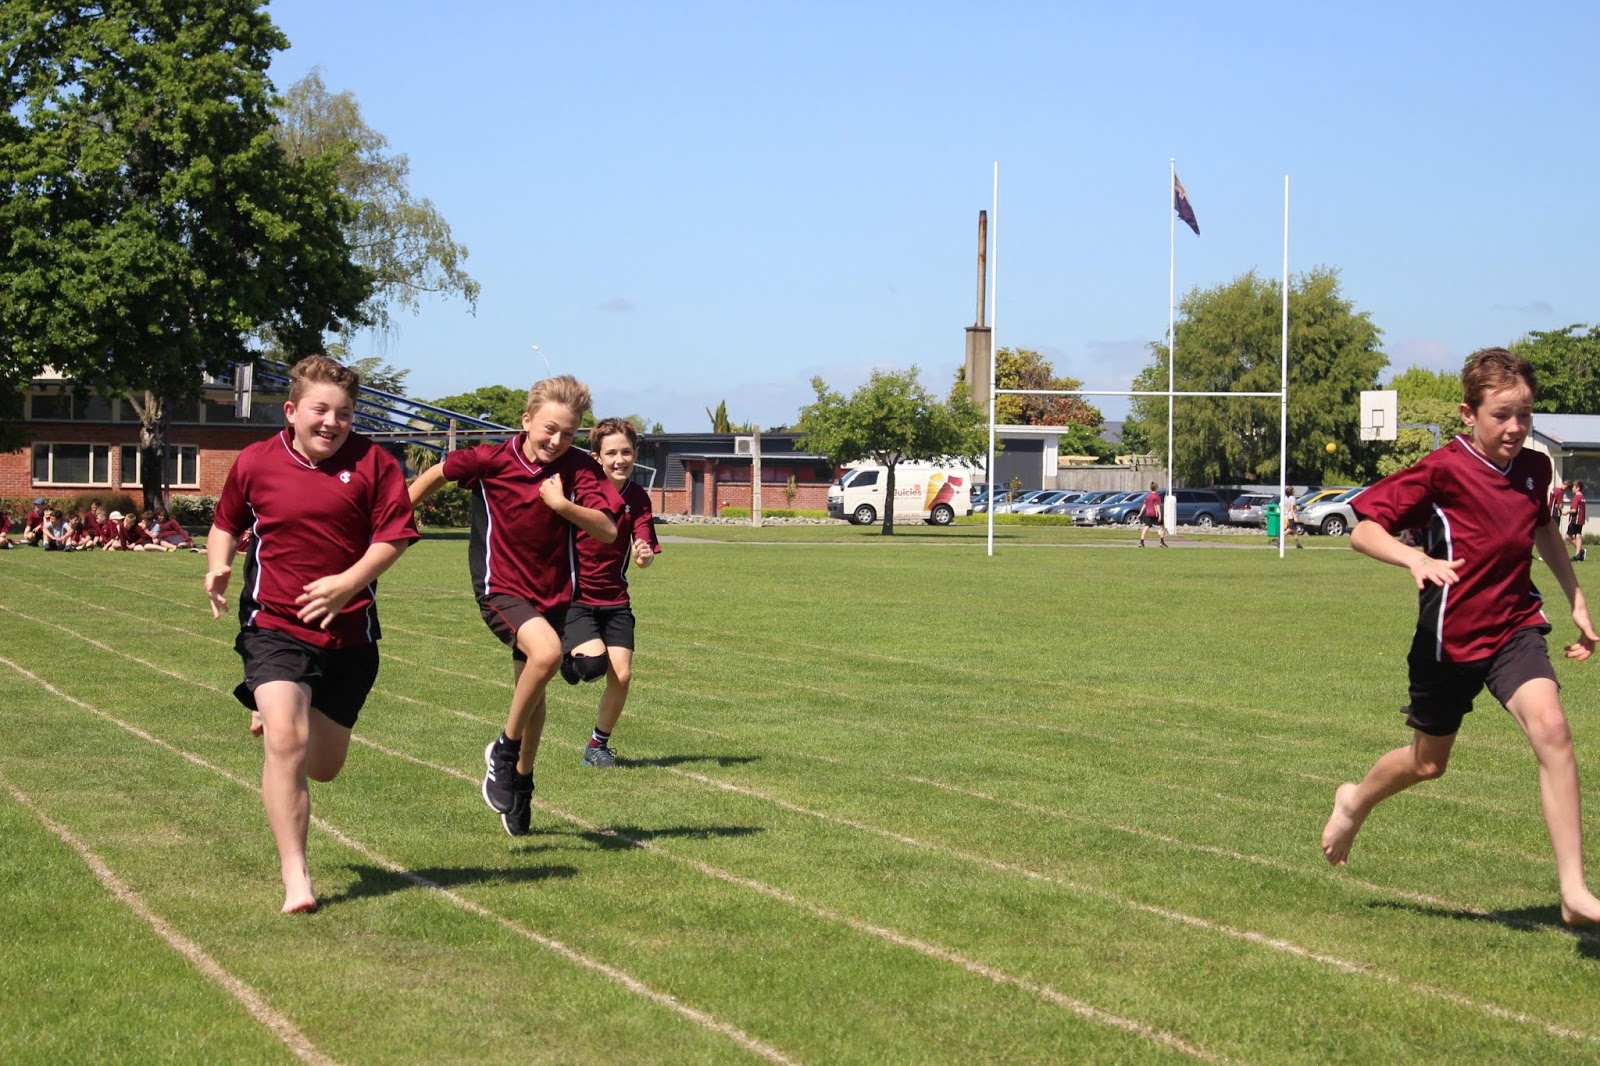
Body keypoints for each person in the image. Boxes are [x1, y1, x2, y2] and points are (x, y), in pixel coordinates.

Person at [1320, 347, 1600, 926]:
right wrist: (1413, 559)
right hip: (1447, 641)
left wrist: (1575, 598)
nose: (1516, 427)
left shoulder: (1535, 468)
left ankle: (1574, 892)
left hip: (1514, 628)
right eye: (1502, 414)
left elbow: (1543, 530)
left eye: (1524, 413)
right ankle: (1356, 799)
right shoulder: (1442, 469)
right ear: (1468, 413)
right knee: (1428, 765)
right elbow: (1363, 529)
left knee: (1552, 730)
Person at [204, 355, 418, 914]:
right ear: (293, 410)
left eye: (343, 413)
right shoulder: (256, 461)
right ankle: (296, 876)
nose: (331, 422)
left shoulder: (375, 463)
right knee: (288, 744)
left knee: (323, 767)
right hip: (274, 625)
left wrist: (348, 584)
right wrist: (218, 564)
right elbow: (226, 521)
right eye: (320, 410)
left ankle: (274, 708)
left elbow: (394, 536)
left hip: (349, 636)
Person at [408, 374, 623, 836]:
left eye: (568, 433)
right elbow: (436, 475)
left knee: (540, 691)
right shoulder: (489, 459)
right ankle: (503, 752)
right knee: (546, 654)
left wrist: (563, 505)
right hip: (500, 588)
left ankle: (520, 783)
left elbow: (607, 530)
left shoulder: (580, 469)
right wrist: (392, 519)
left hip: (555, 594)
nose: (557, 440)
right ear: (527, 421)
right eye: (549, 428)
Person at [561, 418, 662, 768]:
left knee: (622, 675)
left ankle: (596, 746)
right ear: (596, 457)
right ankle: (568, 657)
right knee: (592, 667)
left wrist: (644, 553)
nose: (620, 459)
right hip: (577, 599)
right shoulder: (580, 493)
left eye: (626, 452)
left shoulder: (638, 497)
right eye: (612, 453)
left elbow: (644, 543)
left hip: (616, 601)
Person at [1137, 481, 1166, 547]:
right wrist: (1160, 515)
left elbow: (1144, 505)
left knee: (1146, 526)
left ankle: (1141, 542)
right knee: (1162, 526)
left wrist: (1140, 513)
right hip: (1155, 514)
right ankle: (1161, 541)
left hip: (1148, 513)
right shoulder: (1156, 496)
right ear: (1156, 488)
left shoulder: (1148, 496)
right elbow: (1157, 506)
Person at [1568, 480, 1587, 562]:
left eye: (1573, 487)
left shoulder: (1576, 497)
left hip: (1575, 519)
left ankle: (1580, 551)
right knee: (1578, 535)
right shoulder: (1582, 497)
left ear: (1578, 488)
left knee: (1568, 536)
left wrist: (1566, 512)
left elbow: (1574, 510)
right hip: (1581, 519)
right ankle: (1578, 555)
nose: (1572, 488)